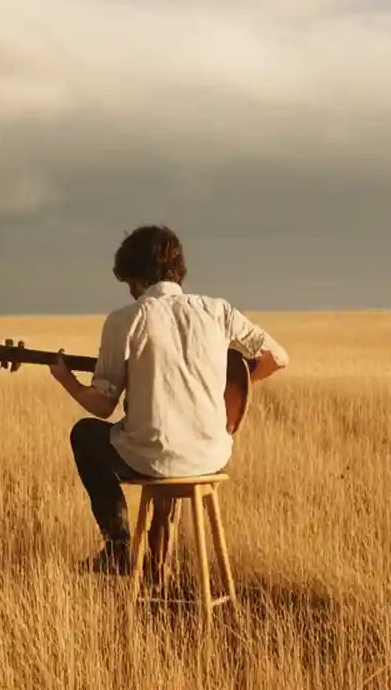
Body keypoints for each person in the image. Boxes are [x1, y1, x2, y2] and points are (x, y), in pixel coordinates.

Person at [49, 225, 289, 574]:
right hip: (212, 454)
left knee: (86, 435)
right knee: (162, 444)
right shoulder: (217, 310)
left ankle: (117, 547)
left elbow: (103, 405)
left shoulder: (125, 320)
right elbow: (277, 357)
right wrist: (224, 384)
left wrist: (66, 379)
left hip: (155, 456)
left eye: (129, 282)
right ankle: (156, 570)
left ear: (135, 277)